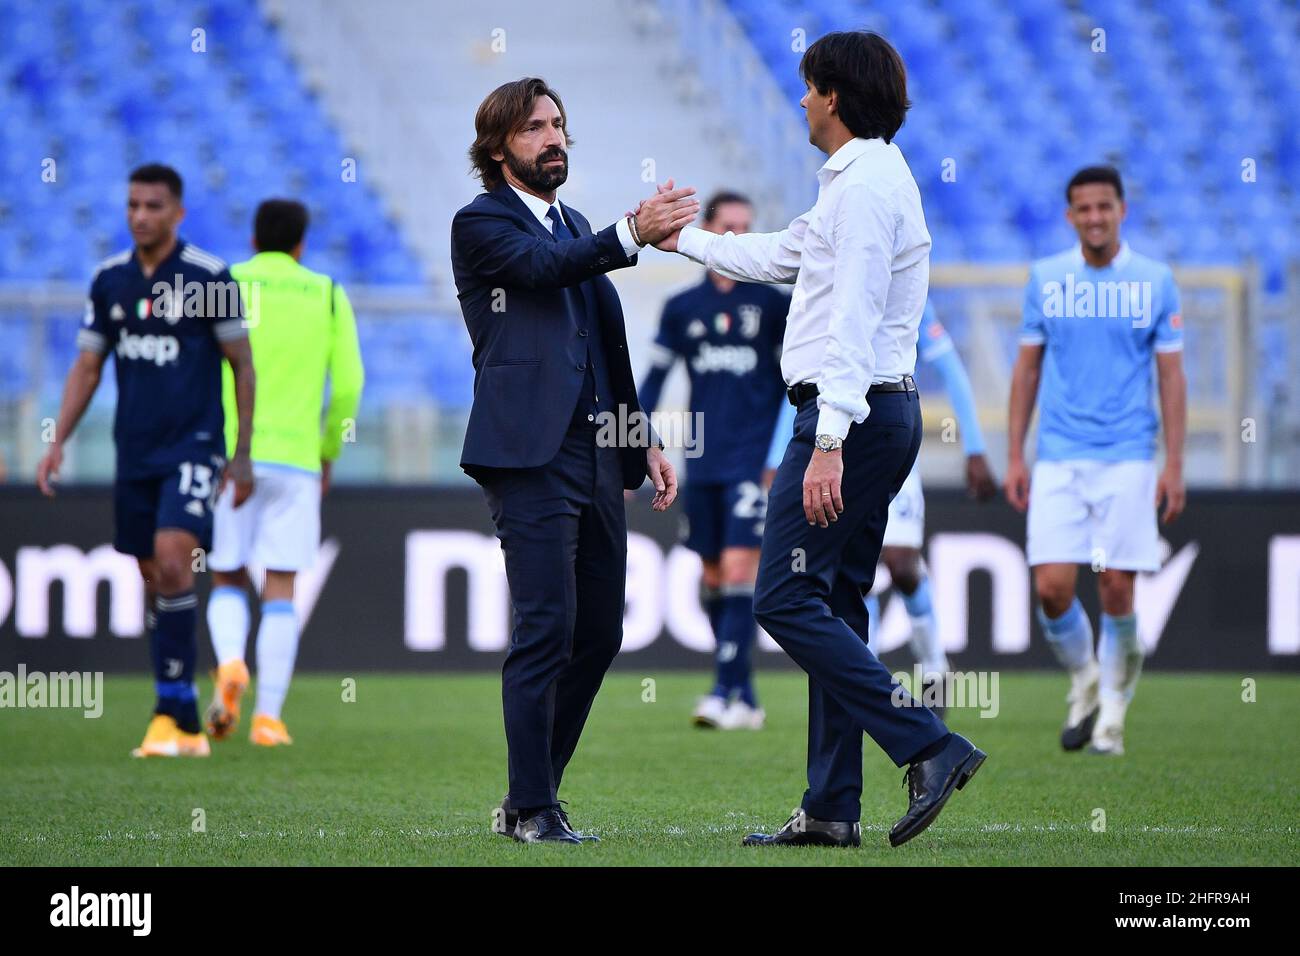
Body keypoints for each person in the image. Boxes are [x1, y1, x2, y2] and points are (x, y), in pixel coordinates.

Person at [659, 31, 985, 848]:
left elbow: (853, 318)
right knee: (835, 603)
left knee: (781, 596)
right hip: (871, 412)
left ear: (835, 96)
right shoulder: (856, 184)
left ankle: (929, 744)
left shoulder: (867, 187)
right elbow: (778, 256)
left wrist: (830, 438)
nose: (800, 100)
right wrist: (681, 240)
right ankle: (834, 807)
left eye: (809, 88)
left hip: (851, 416)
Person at [450, 77, 694, 844]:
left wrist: (640, 435)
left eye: (557, 124)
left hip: (596, 450)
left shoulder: (575, 222)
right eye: (533, 129)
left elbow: (605, 342)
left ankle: (532, 795)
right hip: (528, 455)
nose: (553, 138)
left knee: (599, 632)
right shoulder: (481, 223)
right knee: (546, 625)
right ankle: (531, 807)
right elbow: (543, 271)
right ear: (498, 149)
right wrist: (630, 233)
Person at [36, 163, 255, 758]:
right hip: (133, 449)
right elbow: (87, 366)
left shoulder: (210, 278)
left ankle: (169, 712)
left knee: (172, 558)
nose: (140, 215)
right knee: (152, 576)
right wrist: (57, 440)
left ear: (177, 213)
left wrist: (240, 455)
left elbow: (242, 364)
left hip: (194, 445)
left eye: (153, 206)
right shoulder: (109, 280)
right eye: (133, 204)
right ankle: (182, 713)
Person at [1005, 165, 1186, 756]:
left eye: (1104, 206)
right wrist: (1015, 453)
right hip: (1058, 453)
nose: (1094, 217)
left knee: (1115, 589)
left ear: (1122, 210)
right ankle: (1084, 676)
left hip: (1129, 455)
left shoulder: (1155, 282)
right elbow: (1027, 368)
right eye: (1083, 209)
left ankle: (1112, 709)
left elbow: (1172, 375)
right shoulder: (1047, 278)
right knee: (1052, 588)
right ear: (1069, 216)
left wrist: (1173, 464)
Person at [766, 298, 997, 715]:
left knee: (902, 564)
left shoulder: (908, 298)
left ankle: (934, 669)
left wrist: (975, 448)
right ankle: (864, 678)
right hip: (828, 450)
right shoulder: (823, 297)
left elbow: (952, 372)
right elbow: (802, 389)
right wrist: (774, 459)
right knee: (848, 569)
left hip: (885, 441)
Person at [204, 199, 364, 748]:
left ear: (253, 238)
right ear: (301, 244)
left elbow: (200, 366)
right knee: (280, 589)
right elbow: (348, 385)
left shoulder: (227, 283)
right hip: (296, 461)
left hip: (230, 457)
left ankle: (229, 664)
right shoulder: (324, 293)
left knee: (226, 573)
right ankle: (268, 718)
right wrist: (326, 451)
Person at [638, 190, 789, 730]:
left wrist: (781, 454)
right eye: (729, 227)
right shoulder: (683, 308)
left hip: (755, 462)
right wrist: (630, 443)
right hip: (701, 458)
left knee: (738, 567)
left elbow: (800, 384)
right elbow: (652, 381)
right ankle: (745, 695)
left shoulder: (774, 305)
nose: (739, 238)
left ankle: (723, 693)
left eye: (748, 229)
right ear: (706, 230)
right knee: (711, 580)